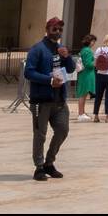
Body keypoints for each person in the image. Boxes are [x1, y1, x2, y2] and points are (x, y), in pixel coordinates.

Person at [23, 17, 76, 181]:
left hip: (59, 100)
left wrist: (67, 57)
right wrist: (49, 80)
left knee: (63, 130)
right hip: (41, 100)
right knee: (40, 134)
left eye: (60, 29)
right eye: (55, 29)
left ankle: (49, 162)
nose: (58, 32)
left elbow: (72, 68)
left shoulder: (61, 49)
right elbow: (29, 72)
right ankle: (39, 167)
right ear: (47, 30)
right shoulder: (37, 49)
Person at [75, 35, 97, 121]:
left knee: (83, 93)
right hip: (87, 74)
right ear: (90, 41)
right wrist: (95, 62)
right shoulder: (88, 51)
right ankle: (81, 113)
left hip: (84, 74)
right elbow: (88, 64)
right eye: (93, 41)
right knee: (83, 94)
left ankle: (82, 112)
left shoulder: (84, 50)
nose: (94, 43)